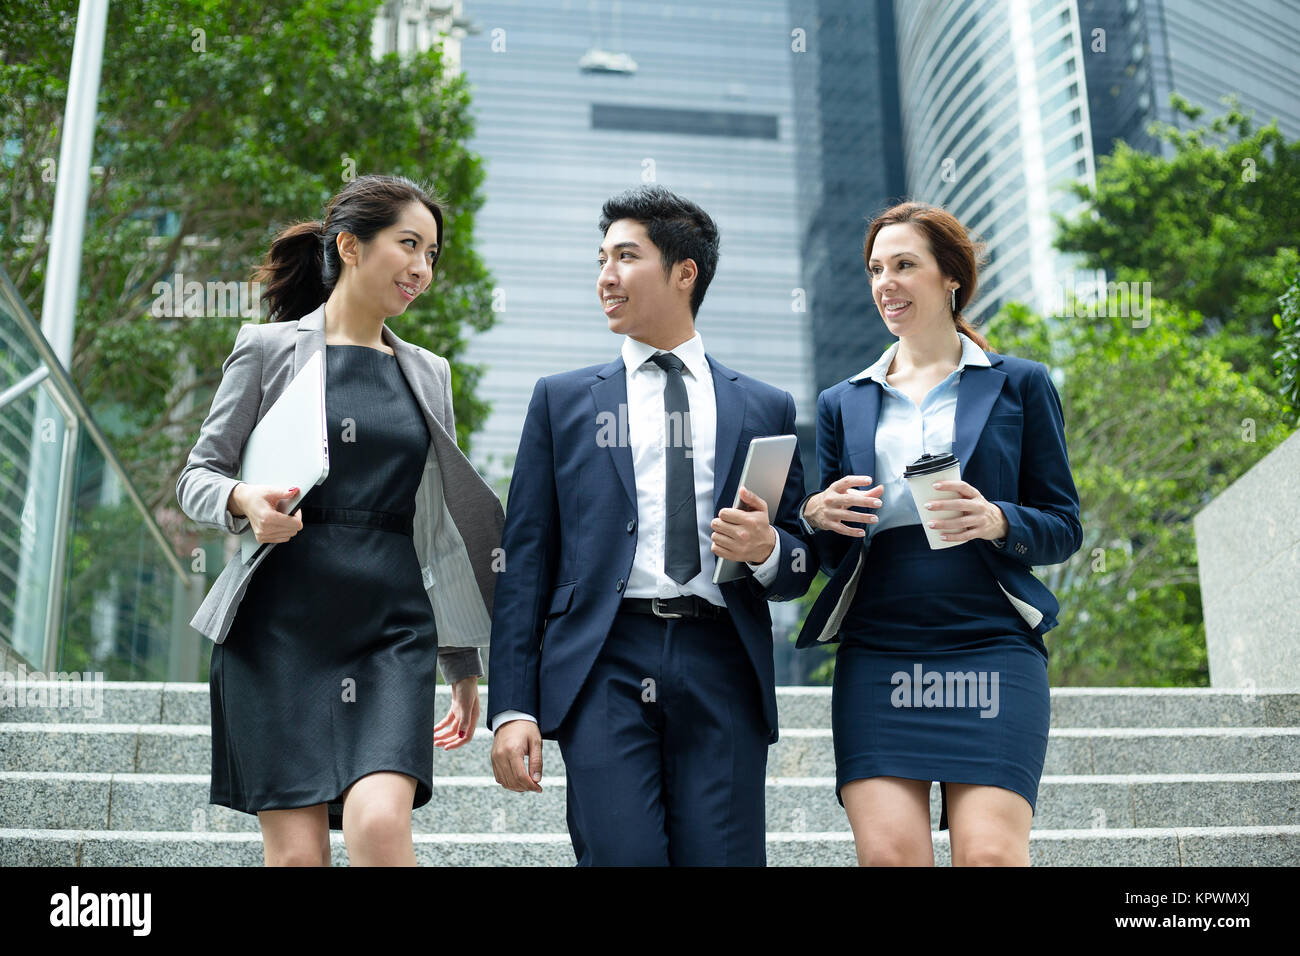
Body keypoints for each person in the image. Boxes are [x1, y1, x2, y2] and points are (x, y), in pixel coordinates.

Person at [176, 174, 503, 866]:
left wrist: (462, 660)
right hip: (277, 626)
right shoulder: (268, 350)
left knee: (381, 827)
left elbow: (435, 524)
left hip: (390, 627)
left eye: (433, 254)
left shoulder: (429, 373)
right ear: (350, 246)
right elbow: (196, 477)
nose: (422, 268)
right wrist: (244, 502)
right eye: (408, 245)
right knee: (297, 859)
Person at [487, 185, 818, 865]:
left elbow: (801, 565)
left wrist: (767, 551)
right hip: (604, 660)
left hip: (724, 660)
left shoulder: (764, 406)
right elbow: (526, 563)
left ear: (684, 272)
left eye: (625, 257)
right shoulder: (562, 402)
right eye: (600, 259)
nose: (604, 276)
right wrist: (512, 706)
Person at [795, 201, 1082, 866]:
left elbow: (1064, 525)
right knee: (891, 859)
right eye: (875, 269)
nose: (885, 283)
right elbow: (834, 551)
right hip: (879, 644)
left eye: (904, 265)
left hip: (990, 638)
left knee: (989, 857)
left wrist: (997, 519)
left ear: (950, 276)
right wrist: (817, 515)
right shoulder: (845, 401)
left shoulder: (1021, 383)